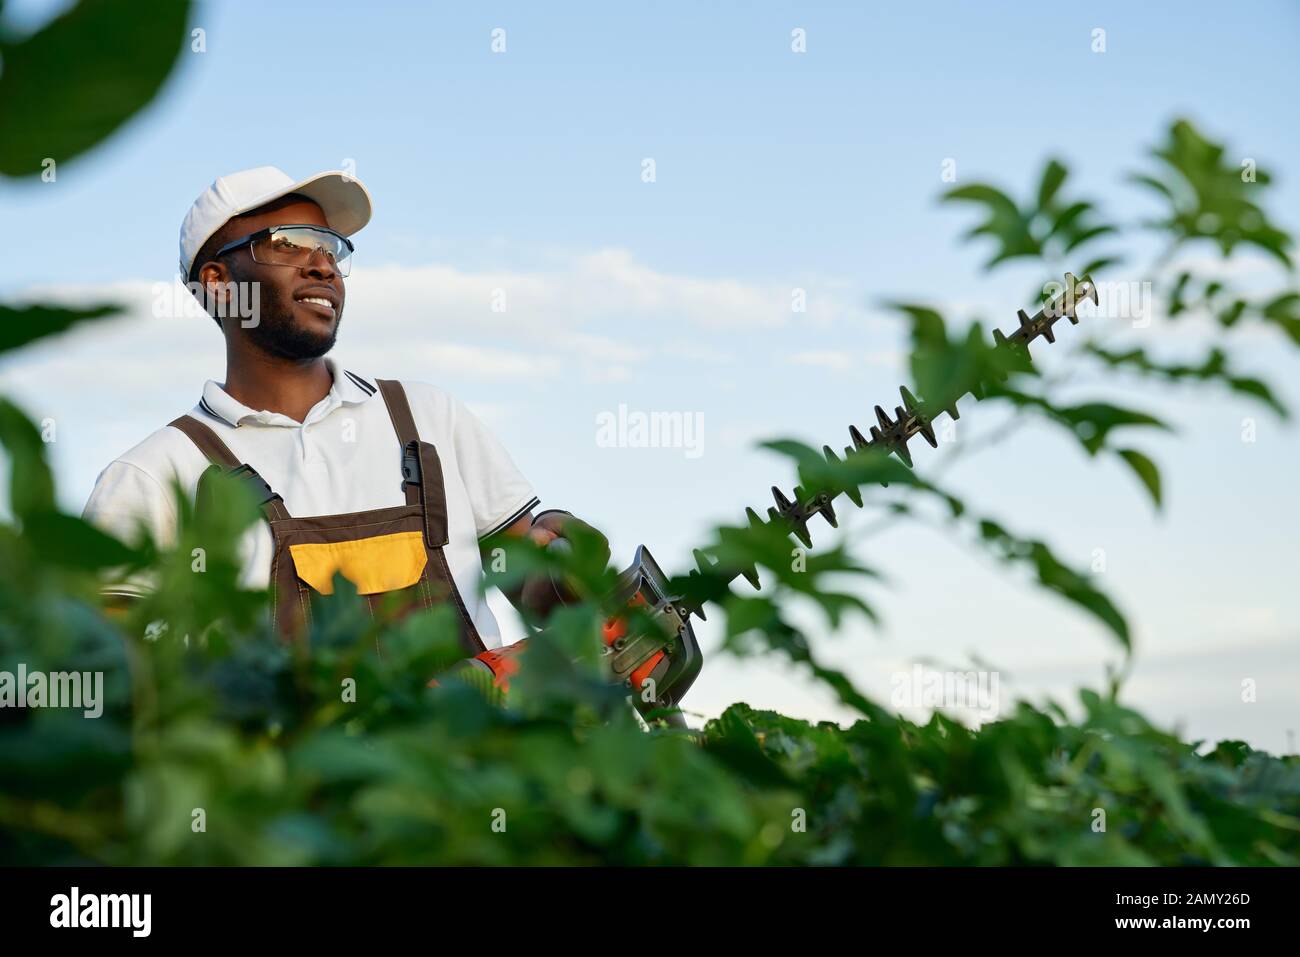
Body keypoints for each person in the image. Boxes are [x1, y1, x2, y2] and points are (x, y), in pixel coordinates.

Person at [83, 165, 599, 652]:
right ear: (217, 282)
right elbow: (108, 682)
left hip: (473, 748)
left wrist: (560, 558)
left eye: (332, 248)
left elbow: (538, 594)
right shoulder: (150, 477)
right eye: (289, 243)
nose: (323, 265)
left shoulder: (428, 419)